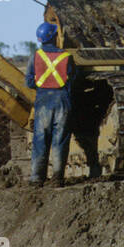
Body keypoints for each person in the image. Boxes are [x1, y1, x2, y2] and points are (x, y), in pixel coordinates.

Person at [24, 20, 75, 186]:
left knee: (40, 138)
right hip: (62, 100)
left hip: (43, 100)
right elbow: (73, 79)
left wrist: (42, 85)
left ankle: (36, 178)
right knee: (59, 139)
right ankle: (57, 178)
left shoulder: (36, 56)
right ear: (55, 37)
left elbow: (29, 82)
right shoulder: (67, 57)